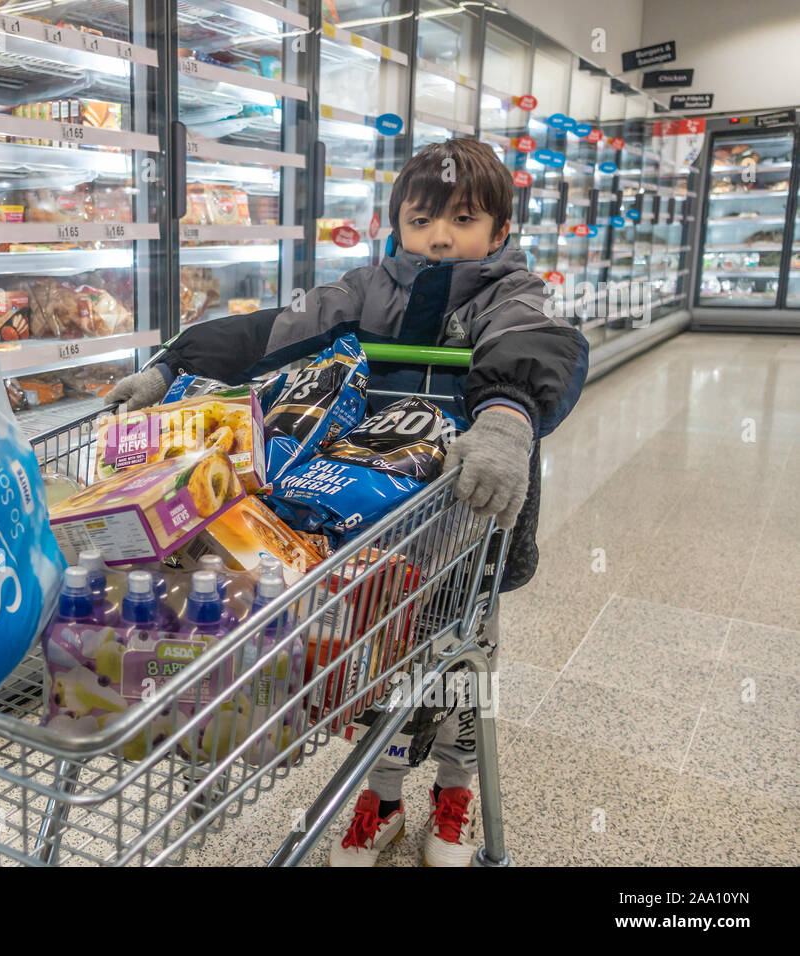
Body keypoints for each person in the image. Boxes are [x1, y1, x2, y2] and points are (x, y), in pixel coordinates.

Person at [107, 138, 588, 866]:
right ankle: (381, 799)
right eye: (421, 218)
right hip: (365, 521)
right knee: (374, 670)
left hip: (462, 524)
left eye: (462, 219)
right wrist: (174, 363)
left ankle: (455, 797)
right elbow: (269, 332)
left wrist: (506, 421)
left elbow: (532, 351)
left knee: (461, 671)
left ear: (500, 234)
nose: (439, 236)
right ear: (396, 224)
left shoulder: (510, 295)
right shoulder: (365, 288)